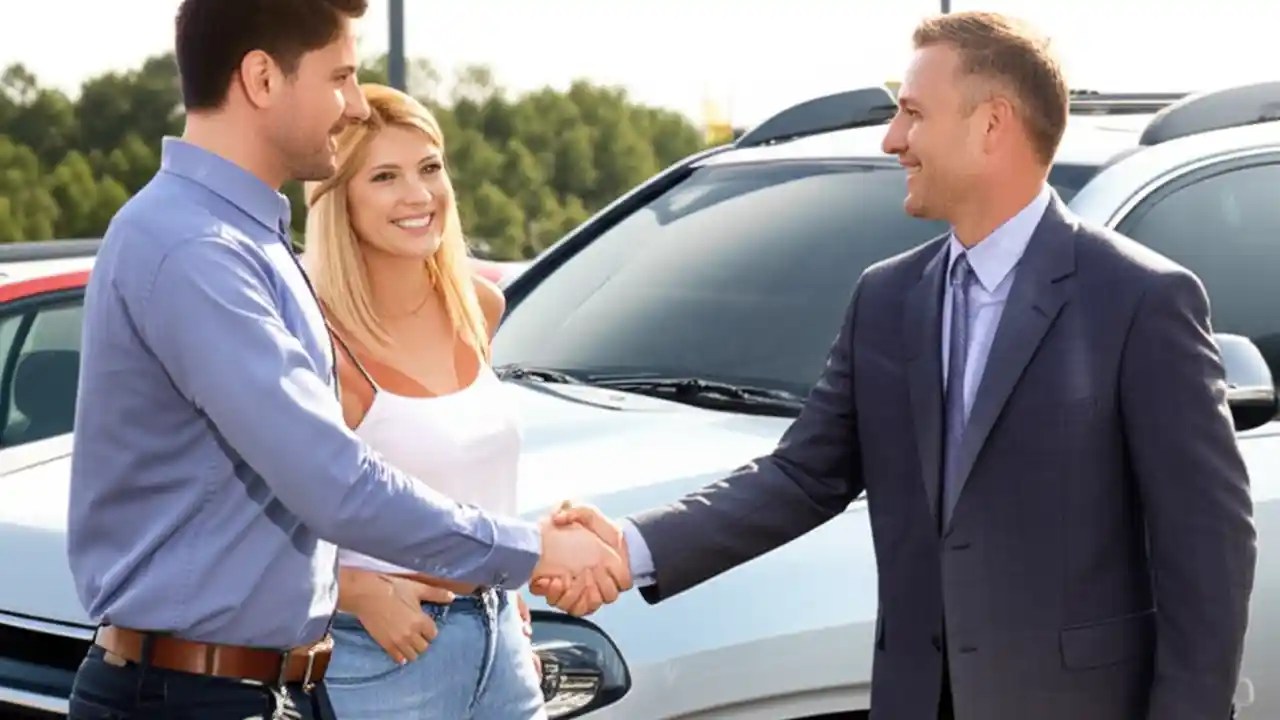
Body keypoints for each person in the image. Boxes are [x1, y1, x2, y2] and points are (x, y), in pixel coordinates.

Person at [535, 10, 1256, 720]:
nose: (893, 140)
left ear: (992, 125)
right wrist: (631, 547)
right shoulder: (887, 297)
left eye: (912, 113)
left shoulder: (1140, 300)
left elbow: (1209, 550)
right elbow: (800, 475)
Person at [65, 2, 624, 719]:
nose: (354, 104)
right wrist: (528, 550)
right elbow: (332, 481)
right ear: (263, 78)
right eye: (342, 77)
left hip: (257, 689)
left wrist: (485, 591)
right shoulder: (195, 250)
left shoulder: (248, 239)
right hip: (190, 698)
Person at [300, 82, 546, 719]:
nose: (418, 195)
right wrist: (351, 592)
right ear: (338, 198)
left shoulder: (479, 307)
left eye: (429, 168)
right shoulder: (317, 338)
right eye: (384, 176)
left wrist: (512, 609)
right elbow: (264, 515)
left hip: (504, 639)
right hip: (382, 652)